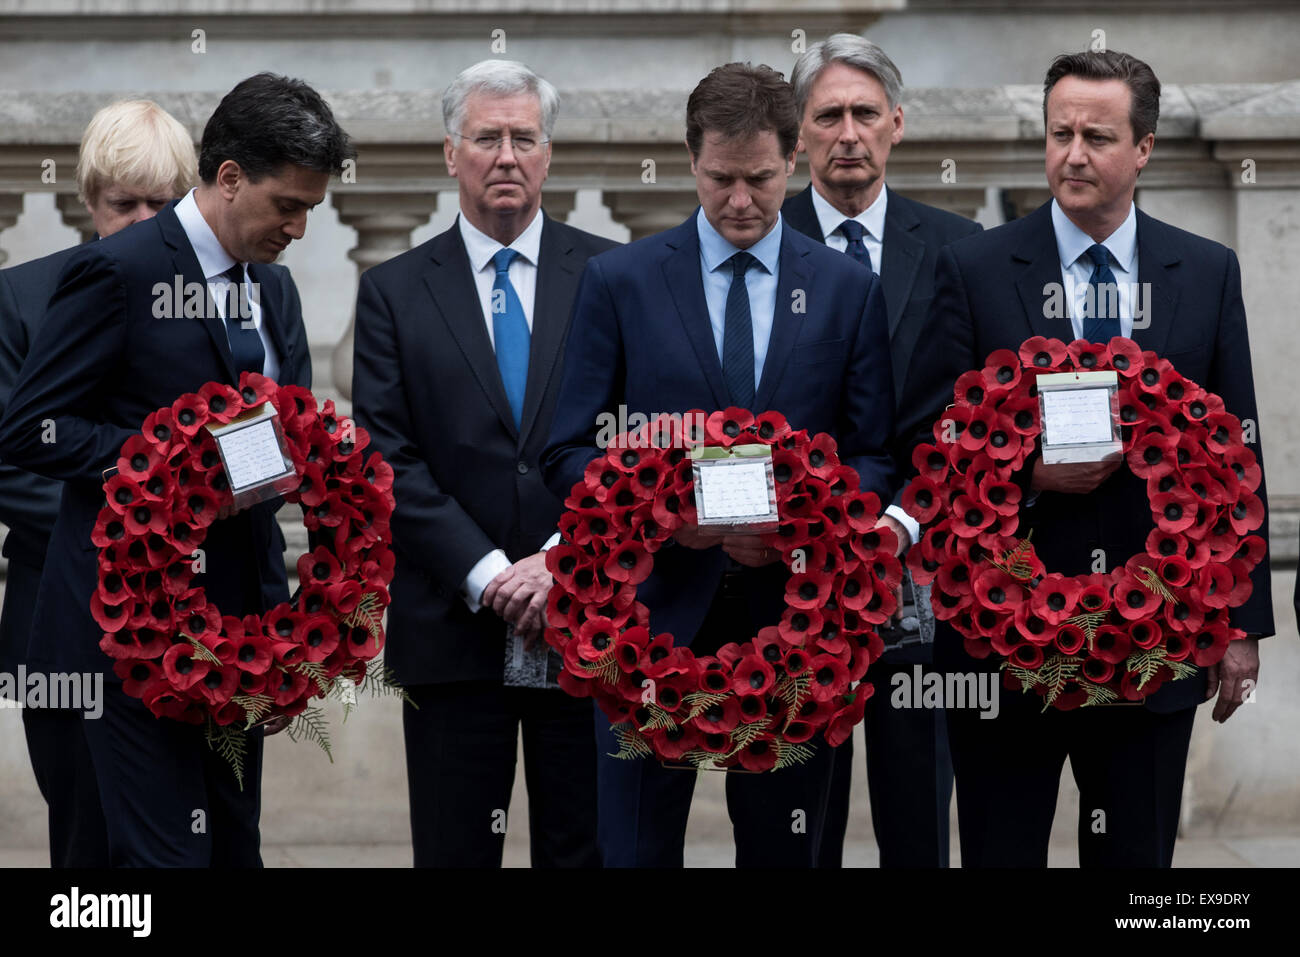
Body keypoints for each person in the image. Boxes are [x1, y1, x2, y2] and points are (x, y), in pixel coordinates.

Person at [894, 49, 1272, 867]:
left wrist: (1241, 624)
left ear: (1143, 148)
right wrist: (1024, 473)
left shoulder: (1205, 271)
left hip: (1156, 640)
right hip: (1002, 638)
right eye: (1059, 132)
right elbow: (929, 438)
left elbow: (1238, 452)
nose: (1072, 152)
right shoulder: (976, 266)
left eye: (1097, 135)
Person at [542, 62, 896, 868]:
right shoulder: (620, 280)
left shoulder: (846, 289)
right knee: (632, 852)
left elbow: (877, 457)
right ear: (690, 160)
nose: (740, 201)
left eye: (761, 179)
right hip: (645, 622)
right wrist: (666, 516)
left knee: (787, 853)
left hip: (800, 626)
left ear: (797, 159)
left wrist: (802, 519)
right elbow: (567, 452)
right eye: (720, 179)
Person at [0, 73, 353, 867]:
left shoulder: (276, 289)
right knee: (155, 868)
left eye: (311, 209)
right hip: (121, 635)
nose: (298, 227)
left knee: (232, 851)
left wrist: (284, 637)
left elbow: (283, 456)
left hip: (234, 640)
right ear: (229, 178)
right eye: (287, 205)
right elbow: (30, 429)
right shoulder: (118, 272)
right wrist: (173, 471)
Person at [352, 59, 614, 868]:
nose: (506, 155)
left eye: (524, 137)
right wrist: (491, 574)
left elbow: (630, 444)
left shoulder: (611, 275)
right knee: (456, 848)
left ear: (548, 155)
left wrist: (560, 562)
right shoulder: (393, 291)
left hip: (588, 621)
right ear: (449, 152)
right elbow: (387, 457)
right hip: (451, 631)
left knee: (588, 848)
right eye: (486, 137)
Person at [782, 33, 981, 869]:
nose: (848, 133)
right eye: (828, 116)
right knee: (797, 817)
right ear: (798, 135)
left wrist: (902, 520)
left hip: (920, 574)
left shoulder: (958, 248)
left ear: (897, 124)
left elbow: (971, 420)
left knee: (917, 815)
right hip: (787, 582)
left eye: (866, 113)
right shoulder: (755, 236)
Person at [0, 99, 196, 868]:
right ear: (88, 201)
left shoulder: (220, 295)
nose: (143, 220)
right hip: (61, 613)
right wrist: (144, 522)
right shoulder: (21, 297)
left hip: (197, 614)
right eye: (124, 203)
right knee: (86, 840)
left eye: (162, 203)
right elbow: (13, 463)